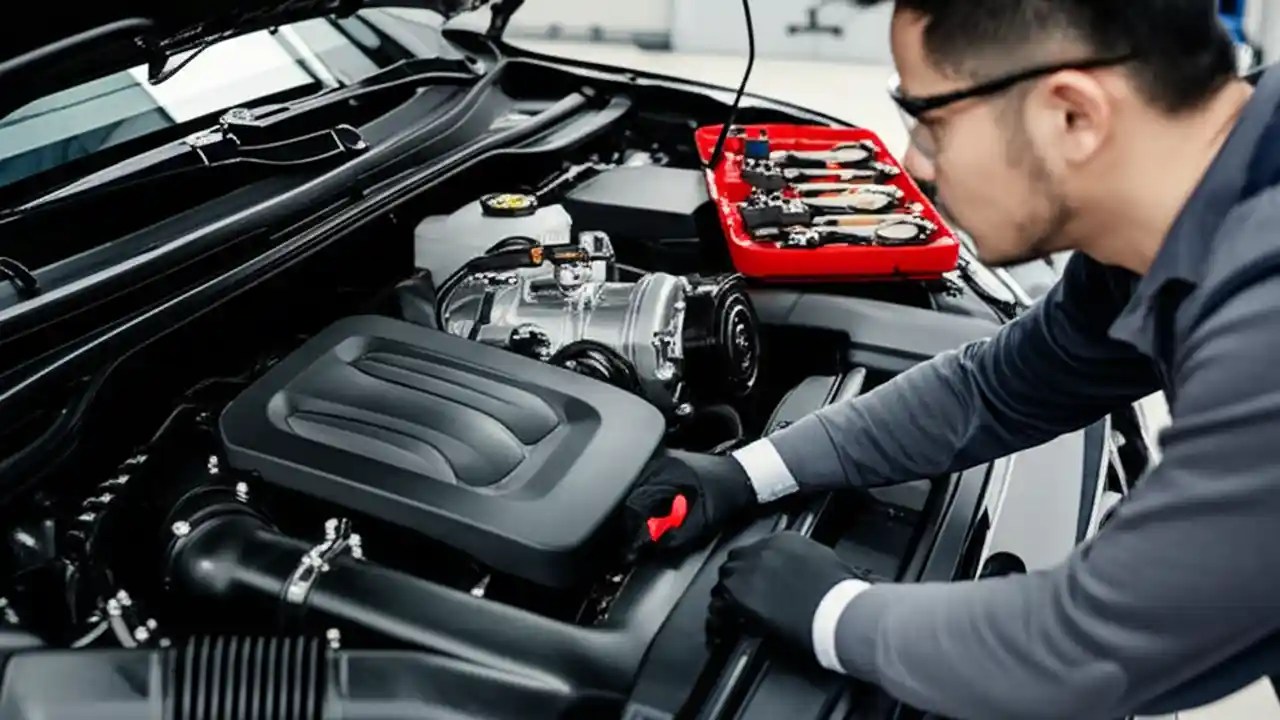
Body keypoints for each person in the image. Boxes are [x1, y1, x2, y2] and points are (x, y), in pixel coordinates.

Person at [621, 1, 1280, 718]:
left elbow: (1082, 649)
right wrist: (747, 472)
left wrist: (833, 615)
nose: (914, 163)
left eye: (930, 121)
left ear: (1072, 116)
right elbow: (993, 390)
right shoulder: (1169, 226)